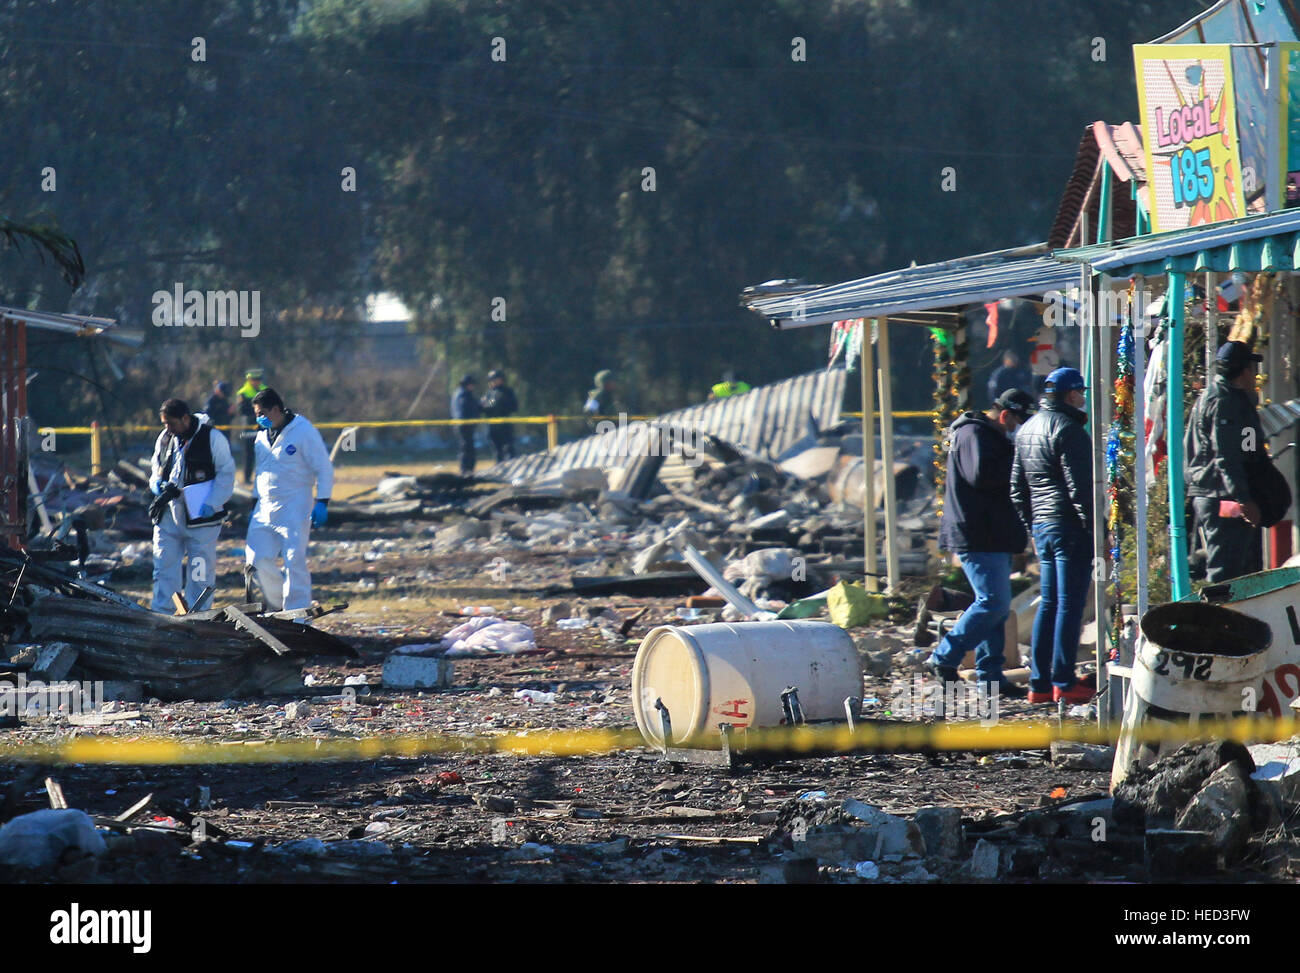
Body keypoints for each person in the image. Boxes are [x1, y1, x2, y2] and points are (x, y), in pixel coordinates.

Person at [927, 389, 1036, 699]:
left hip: (991, 533)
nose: (1019, 429)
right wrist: (1019, 461)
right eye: (1018, 422)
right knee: (993, 603)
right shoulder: (974, 434)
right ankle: (944, 657)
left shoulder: (987, 436)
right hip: (977, 533)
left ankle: (991, 675)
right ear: (1005, 415)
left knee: (997, 609)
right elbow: (982, 476)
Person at [1011, 366, 1095, 705]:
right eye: (1081, 392)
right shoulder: (1070, 430)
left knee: (1049, 604)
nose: (1084, 398)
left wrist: (1033, 527)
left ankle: (1039, 685)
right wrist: (1094, 529)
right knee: (1070, 605)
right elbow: (1080, 490)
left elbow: (1017, 489)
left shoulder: (1026, 429)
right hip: (1070, 527)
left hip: (1043, 529)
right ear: (1071, 395)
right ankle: (1064, 680)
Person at [245, 388, 333, 611]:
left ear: (277, 409)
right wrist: (255, 501)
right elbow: (261, 471)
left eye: (262, 413)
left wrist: (322, 501)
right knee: (256, 559)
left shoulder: (303, 431)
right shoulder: (261, 436)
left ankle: (297, 612)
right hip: (264, 506)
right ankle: (277, 606)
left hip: (295, 504)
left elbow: (323, 467)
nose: (259, 418)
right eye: (256, 414)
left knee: (294, 560)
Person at [1186, 341, 1267, 583]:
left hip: (1221, 492)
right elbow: (1226, 455)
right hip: (1222, 497)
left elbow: (1246, 446)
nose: (1255, 374)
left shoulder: (1230, 398)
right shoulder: (1224, 402)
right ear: (1244, 372)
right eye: (1252, 369)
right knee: (1225, 575)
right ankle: (1217, 620)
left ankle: (1230, 618)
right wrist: (1243, 498)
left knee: (1238, 570)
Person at [148, 398, 236, 613]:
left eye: (171, 423)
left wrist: (213, 502)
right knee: (164, 567)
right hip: (169, 515)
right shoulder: (166, 438)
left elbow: (227, 473)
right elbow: (155, 467)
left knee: (200, 571)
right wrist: (156, 485)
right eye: (164, 424)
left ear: (185, 418)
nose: (168, 428)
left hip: (201, 518)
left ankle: (199, 614)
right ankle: (162, 614)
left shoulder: (212, 438)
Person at [236, 368, 268, 483]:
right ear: (249, 380)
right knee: (249, 453)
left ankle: (264, 477)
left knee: (265, 452)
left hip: (264, 426)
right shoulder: (243, 393)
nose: (257, 382)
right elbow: (241, 411)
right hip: (249, 426)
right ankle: (247, 478)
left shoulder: (266, 390)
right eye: (254, 379)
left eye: (258, 379)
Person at [480, 369, 519, 461]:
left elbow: (514, 407)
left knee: (509, 449)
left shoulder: (507, 392)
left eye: (494, 379)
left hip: (505, 425)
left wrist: (502, 404)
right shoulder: (489, 394)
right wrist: (487, 403)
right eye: (491, 380)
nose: (492, 382)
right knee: (497, 451)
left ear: (501, 379)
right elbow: (485, 407)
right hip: (493, 426)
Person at [451, 374, 482, 474]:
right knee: (467, 449)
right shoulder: (464, 395)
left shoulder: (458, 393)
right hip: (465, 425)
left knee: (466, 448)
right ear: (468, 384)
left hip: (461, 425)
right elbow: (467, 409)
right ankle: (466, 470)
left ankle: (467, 470)